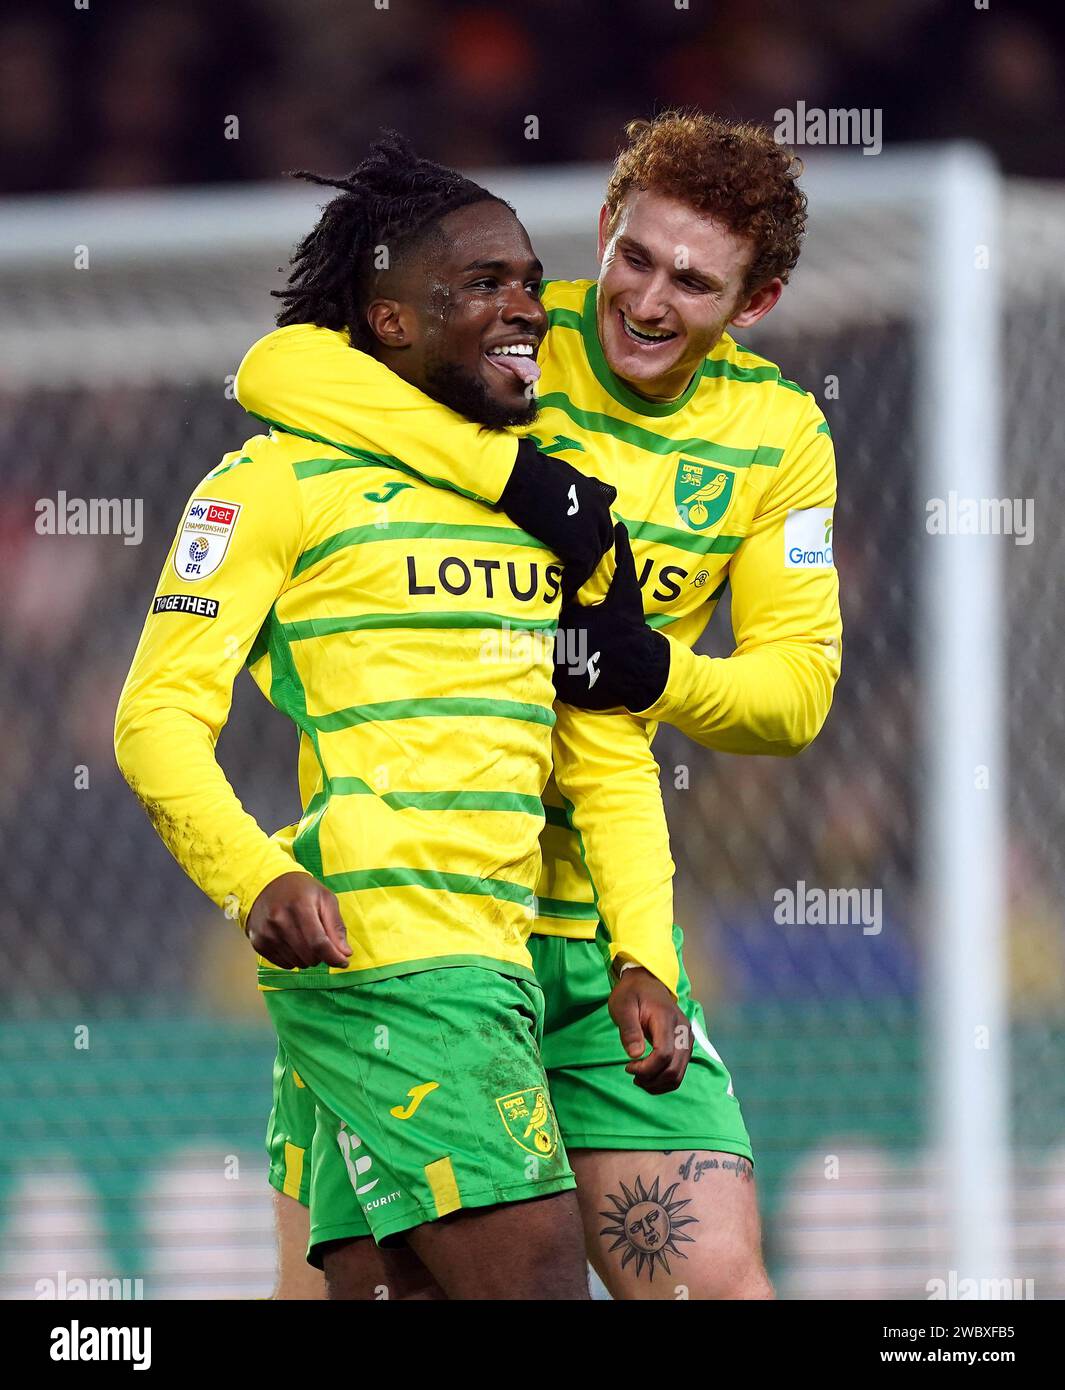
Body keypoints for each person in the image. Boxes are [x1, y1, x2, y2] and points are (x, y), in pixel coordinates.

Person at [236, 111, 843, 1301]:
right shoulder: (504, 333)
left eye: (695, 282)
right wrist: (518, 474)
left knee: (719, 1283)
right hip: (417, 914)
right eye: (636, 258)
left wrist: (647, 670)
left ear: (756, 305)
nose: (650, 301)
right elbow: (276, 365)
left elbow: (795, 692)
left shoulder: (779, 435)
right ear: (605, 231)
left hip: (601, 924)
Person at [114, 136, 689, 1301]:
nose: (528, 306)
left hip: (498, 957)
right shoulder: (273, 482)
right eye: (484, 284)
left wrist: (645, 950)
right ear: (387, 323)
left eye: (530, 278)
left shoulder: (561, 511)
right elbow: (156, 718)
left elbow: (608, 757)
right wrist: (252, 875)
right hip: (393, 955)